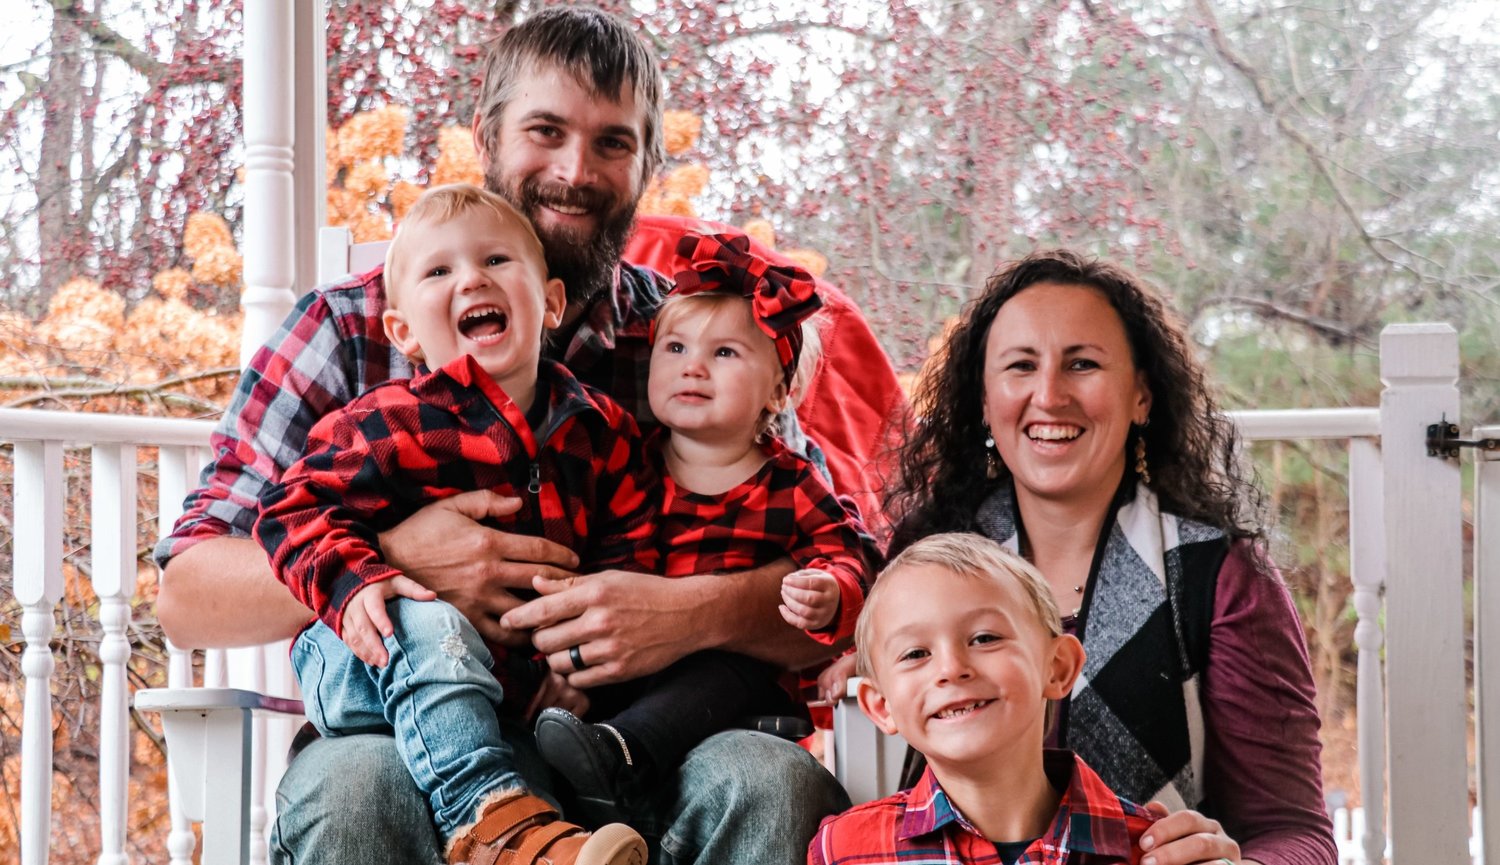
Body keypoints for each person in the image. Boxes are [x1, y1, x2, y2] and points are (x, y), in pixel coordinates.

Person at [153, 7, 871, 863]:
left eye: (613, 143)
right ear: (488, 136)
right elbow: (188, 594)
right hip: (403, 740)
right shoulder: (353, 331)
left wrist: (688, 611)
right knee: (352, 788)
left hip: (634, 738)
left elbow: (830, 572)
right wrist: (400, 560)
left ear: (648, 163)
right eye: (546, 130)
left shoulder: (689, 340)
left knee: (773, 778)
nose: (576, 170)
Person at [878, 250, 1337, 865]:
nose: (1049, 395)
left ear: (1142, 396)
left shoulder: (1220, 576)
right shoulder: (923, 558)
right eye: (1021, 366)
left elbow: (1295, 830)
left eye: (1083, 364)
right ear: (984, 402)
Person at [254, 183, 656, 864]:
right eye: (439, 272)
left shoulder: (599, 430)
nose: (471, 277)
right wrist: (363, 580)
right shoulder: (384, 422)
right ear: (404, 332)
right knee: (430, 617)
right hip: (364, 658)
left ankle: (528, 835)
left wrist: (576, 669)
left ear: (551, 301)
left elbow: (628, 569)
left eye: (497, 260)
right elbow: (286, 512)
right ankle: (489, 820)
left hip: (499, 690)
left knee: (519, 731)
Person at [534, 232, 873, 826]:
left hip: (735, 692)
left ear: (779, 391)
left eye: (724, 354)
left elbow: (849, 554)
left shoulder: (791, 484)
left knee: (725, 669)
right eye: (675, 347)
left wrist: (831, 591)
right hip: (625, 676)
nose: (692, 366)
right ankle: (595, 759)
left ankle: (621, 760)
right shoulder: (624, 460)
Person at [810, 533, 1157, 865]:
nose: (951, 668)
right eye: (916, 653)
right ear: (883, 707)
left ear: (1056, 667)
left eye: (984, 638)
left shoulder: (1154, 850)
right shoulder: (841, 850)